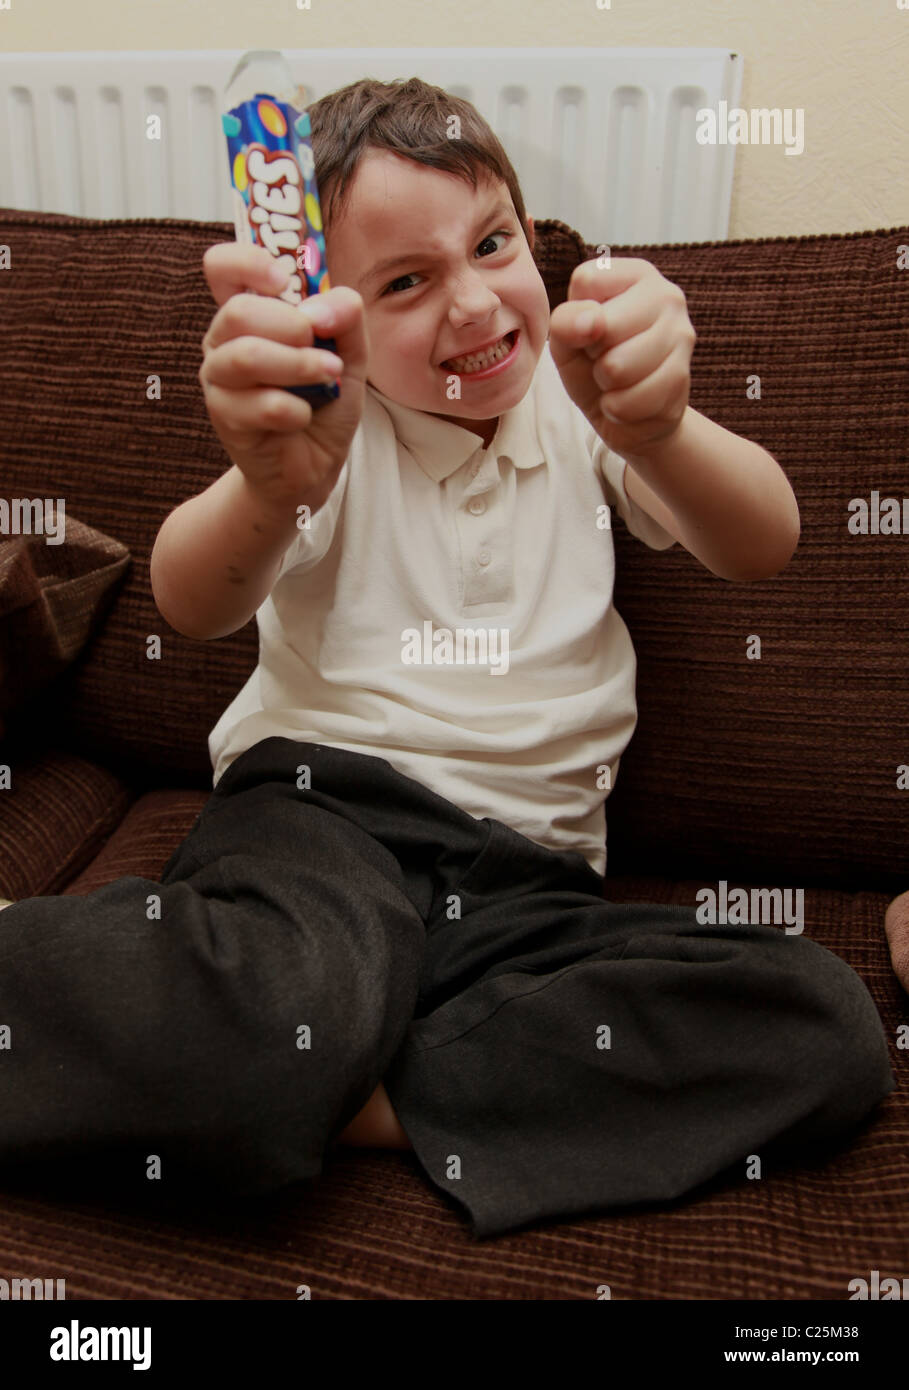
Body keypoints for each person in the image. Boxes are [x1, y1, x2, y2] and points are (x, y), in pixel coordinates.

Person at [0, 78, 894, 1240]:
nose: (474, 303)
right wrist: (272, 483)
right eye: (409, 282)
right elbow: (191, 597)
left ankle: (328, 1085)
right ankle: (290, 1049)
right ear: (340, 313)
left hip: (530, 891)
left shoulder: (584, 407)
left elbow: (763, 542)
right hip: (328, 826)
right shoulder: (332, 429)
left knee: (823, 1022)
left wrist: (662, 426)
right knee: (286, 996)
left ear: (533, 234)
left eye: (493, 243)